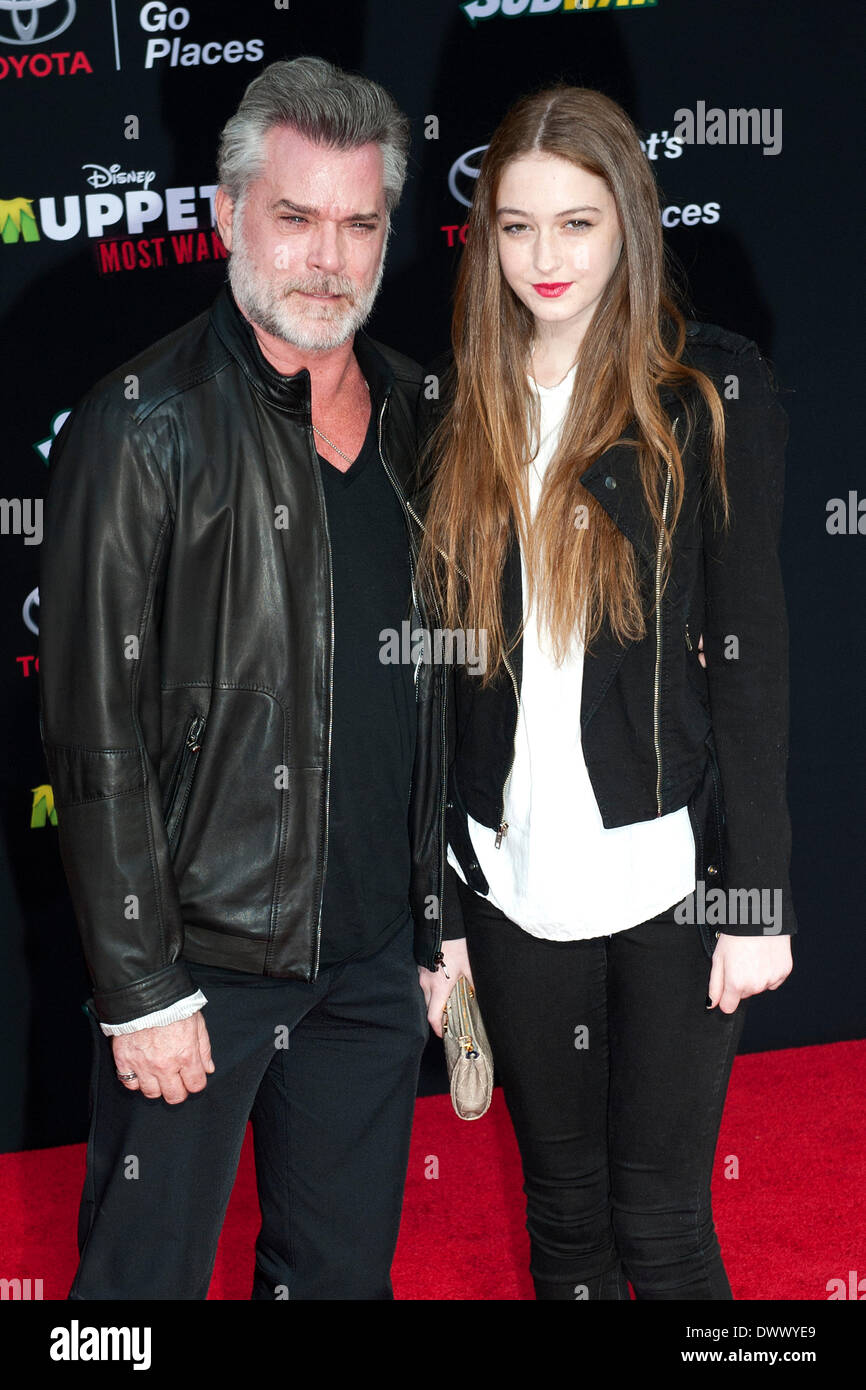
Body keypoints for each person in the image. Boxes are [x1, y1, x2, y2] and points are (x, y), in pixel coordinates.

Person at [38, 55, 460, 1301]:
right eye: (294, 216)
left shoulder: (416, 418)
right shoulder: (140, 423)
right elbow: (90, 730)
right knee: (135, 1293)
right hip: (198, 963)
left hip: (374, 964)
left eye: (357, 222)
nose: (325, 256)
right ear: (226, 216)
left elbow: (434, 700)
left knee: (336, 1281)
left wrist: (437, 924)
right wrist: (139, 985)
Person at [415, 85, 795, 1301]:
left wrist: (758, 898)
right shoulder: (448, 407)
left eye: (575, 223)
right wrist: (438, 910)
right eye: (516, 226)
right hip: (509, 878)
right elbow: (429, 684)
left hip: (666, 878)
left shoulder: (707, 396)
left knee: (662, 1225)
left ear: (629, 219)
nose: (545, 258)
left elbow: (752, 661)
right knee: (563, 1218)